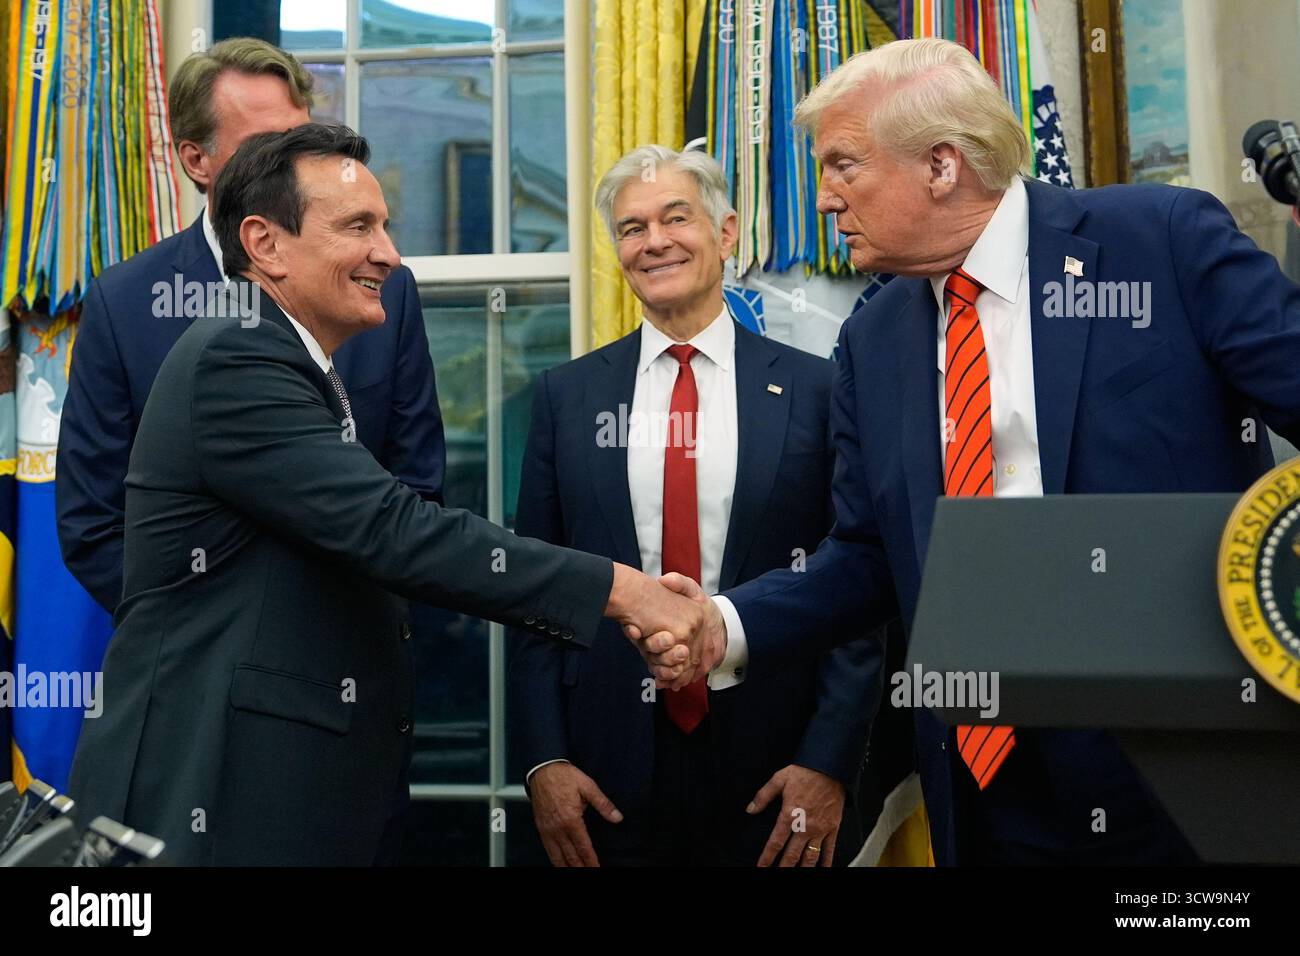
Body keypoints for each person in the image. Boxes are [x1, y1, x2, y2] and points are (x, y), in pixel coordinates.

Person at [654, 37, 1300, 865]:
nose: (823, 200)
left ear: (942, 165)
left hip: (1183, 758)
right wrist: (725, 623)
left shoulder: (1160, 243)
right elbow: (869, 556)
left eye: (844, 166)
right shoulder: (873, 340)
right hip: (982, 776)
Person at [66, 124, 703, 866]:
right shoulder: (235, 358)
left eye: (386, 226)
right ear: (265, 244)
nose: (389, 254)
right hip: (216, 790)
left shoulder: (283, 358)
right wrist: (623, 590)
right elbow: (394, 530)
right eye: (358, 226)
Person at [509, 145, 883, 867]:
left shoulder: (818, 388)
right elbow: (534, 591)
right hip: (603, 774)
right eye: (631, 227)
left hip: (778, 770)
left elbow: (857, 583)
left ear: (727, 230)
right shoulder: (566, 397)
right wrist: (543, 762)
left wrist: (830, 758)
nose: (654, 241)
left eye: (675, 218)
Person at [57, 37, 446, 618]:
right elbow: (94, 524)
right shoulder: (125, 303)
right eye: (267, 146)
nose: (293, 164)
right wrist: (217, 643)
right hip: (197, 676)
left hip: (354, 661)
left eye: (300, 138)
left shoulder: (382, 291)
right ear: (196, 160)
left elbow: (417, 487)